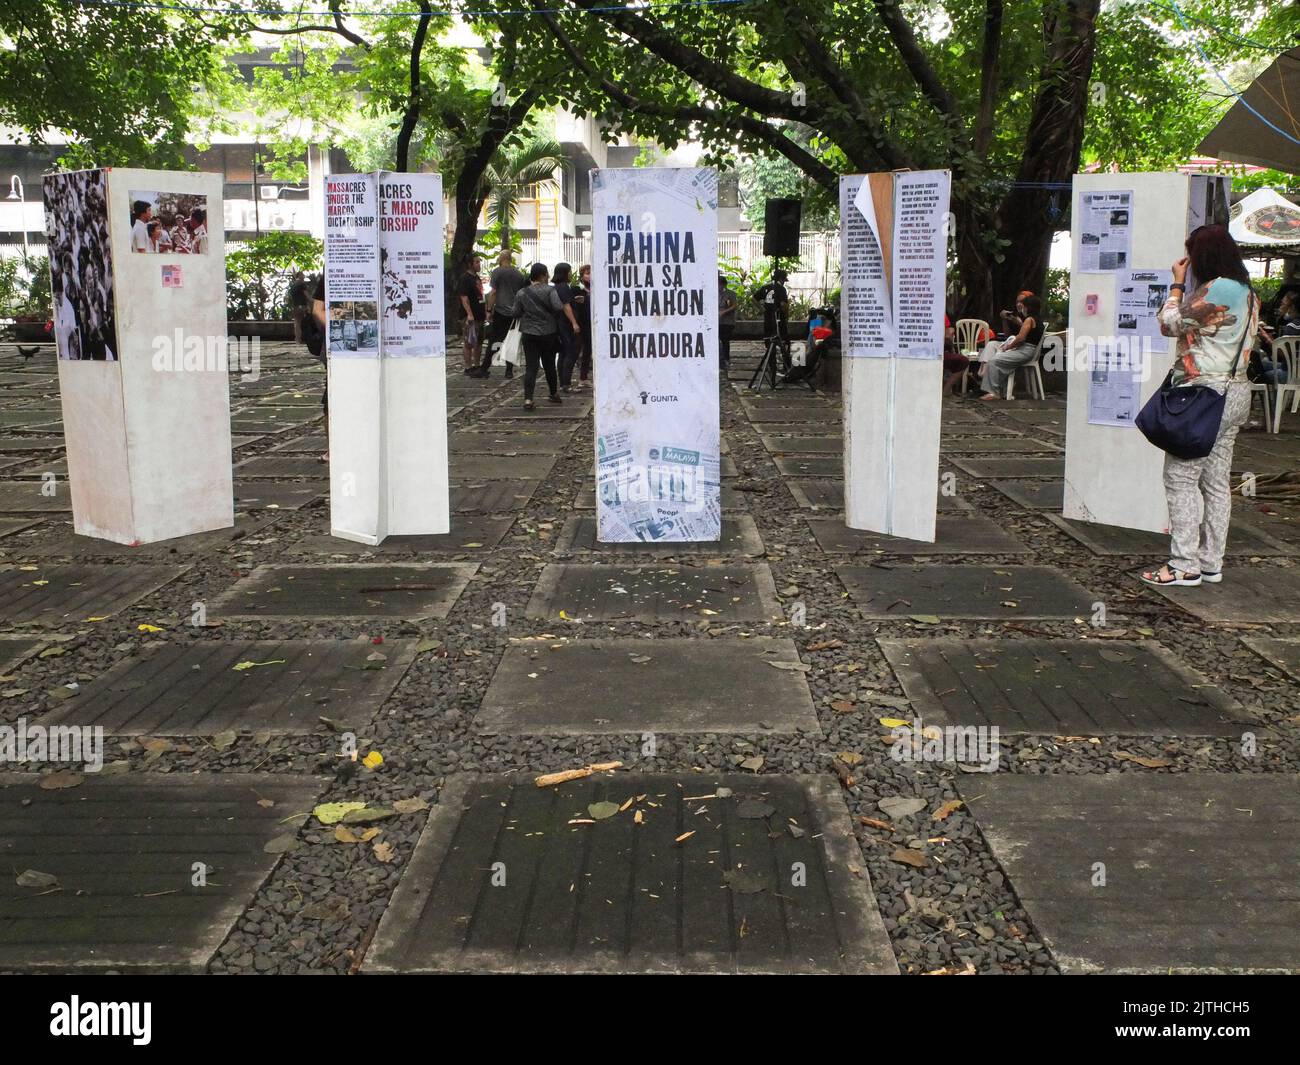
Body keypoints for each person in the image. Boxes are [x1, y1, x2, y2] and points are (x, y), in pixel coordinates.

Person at [1141, 224, 1259, 588]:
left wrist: (1177, 284)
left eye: (1192, 253)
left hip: (1204, 396)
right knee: (1216, 482)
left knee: (1180, 478)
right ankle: (1210, 563)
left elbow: (1168, 323)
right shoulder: (1248, 292)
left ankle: (1182, 565)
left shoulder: (1218, 287)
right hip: (1235, 393)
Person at [514, 262, 578, 411]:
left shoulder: (522, 293)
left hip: (529, 333)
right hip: (548, 333)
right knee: (549, 364)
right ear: (543, 275)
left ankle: (528, 399)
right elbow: (558, 307)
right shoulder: (550, 291)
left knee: (531, 367)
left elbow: (515, 312)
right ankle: (553, 393)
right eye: (547, 273)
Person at [977, 294, 1043, 400]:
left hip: (1026, 350)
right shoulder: (1037, 319)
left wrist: (1008, 347)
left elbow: (1020, 338)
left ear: (1028, 307)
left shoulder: (1029, 320)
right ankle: (1002, 388)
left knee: (995, 360)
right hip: (1025, 349)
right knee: (995, 354)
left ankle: (994, 392)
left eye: (1024, 305)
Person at [474, 251, 526, 379]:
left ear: (501, 258)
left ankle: (484, 368)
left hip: (501, 311)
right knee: (511, 341)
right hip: (515, 313)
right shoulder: (518, 274)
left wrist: (489, 309)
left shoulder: (497, 272)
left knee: (495, 340)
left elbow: (493, 292)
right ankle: (509, 370)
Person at [552, 262, 582, 392]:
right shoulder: (563, 287)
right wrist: (574, 322)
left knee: (564, 353)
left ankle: (563, 383)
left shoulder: (557, 287)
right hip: (566, 325)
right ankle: (566, 383)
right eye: (569, 271)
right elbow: (566, 306)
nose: (571, 274)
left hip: (561, 324)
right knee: (570, 352)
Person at [309, 275, 329, 462]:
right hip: (337, 348)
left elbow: (317, 310)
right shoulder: (333, 268)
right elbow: (317, 310)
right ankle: (332, 449)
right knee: (331, 399)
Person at [457, 255, 485, 375]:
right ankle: (468, 367)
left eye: (479, 262)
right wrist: (469, 314)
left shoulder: (476, 278)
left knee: (478, 341)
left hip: (480, 314)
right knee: (469, 341)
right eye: (476, 262)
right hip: (470, 315)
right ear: (470, 264)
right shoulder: (465, 279)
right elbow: (464, 297)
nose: (479, 264)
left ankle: (476, 365)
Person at [575, 264, 593, 386]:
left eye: (590, 273)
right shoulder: (578, 289)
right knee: (580, 350)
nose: (589, 275)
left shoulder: (595, 287)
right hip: (583, 324)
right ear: (582, 276)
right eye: (587, 273)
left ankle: (584, 377)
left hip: (592, 323)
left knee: (588, 350)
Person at [718, 274, 738, 371]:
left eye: (720, 285)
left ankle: (726, 359)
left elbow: (733, 306)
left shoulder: (731, 294)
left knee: (725, 340)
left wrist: (724, 312)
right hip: (717, 321)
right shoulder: (714, 294)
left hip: (727, 321)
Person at [289, 272, 311, 343]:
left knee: (297, 323)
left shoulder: (293, 285)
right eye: (303, 274)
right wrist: (313, 302)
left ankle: (297, 339)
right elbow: (307, 296)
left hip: (295, 306)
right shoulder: (302, 284)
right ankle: (306, 339)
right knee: (306, 323)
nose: (304, 276)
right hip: (302, 306)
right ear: (300, 275)